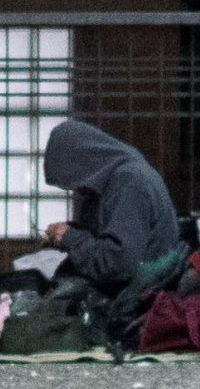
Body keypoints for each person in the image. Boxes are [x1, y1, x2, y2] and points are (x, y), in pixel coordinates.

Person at [42, 118, 181, 294]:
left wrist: (69, 237)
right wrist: (67, 233)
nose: (78, 191)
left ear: (84, 165)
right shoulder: (116, 177)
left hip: (135, 303)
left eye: (75, 184)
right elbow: (107, 235)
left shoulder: (129, 182)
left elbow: (117, 264)